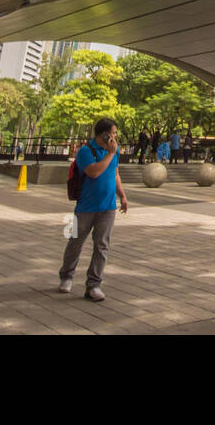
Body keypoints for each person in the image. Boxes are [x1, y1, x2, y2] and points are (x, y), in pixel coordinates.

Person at [59, 117, 128, 301]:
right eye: (112, 133)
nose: (115, 137)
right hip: (85, 207)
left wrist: (122, 195)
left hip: (108, 207)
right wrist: (110, 154)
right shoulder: (85, 151)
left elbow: (115, 173)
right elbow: (94, 172)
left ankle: (94, 284)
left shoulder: (114, 152)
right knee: (75, 242)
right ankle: (66, 275)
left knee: (102, 245)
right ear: (103, 134)